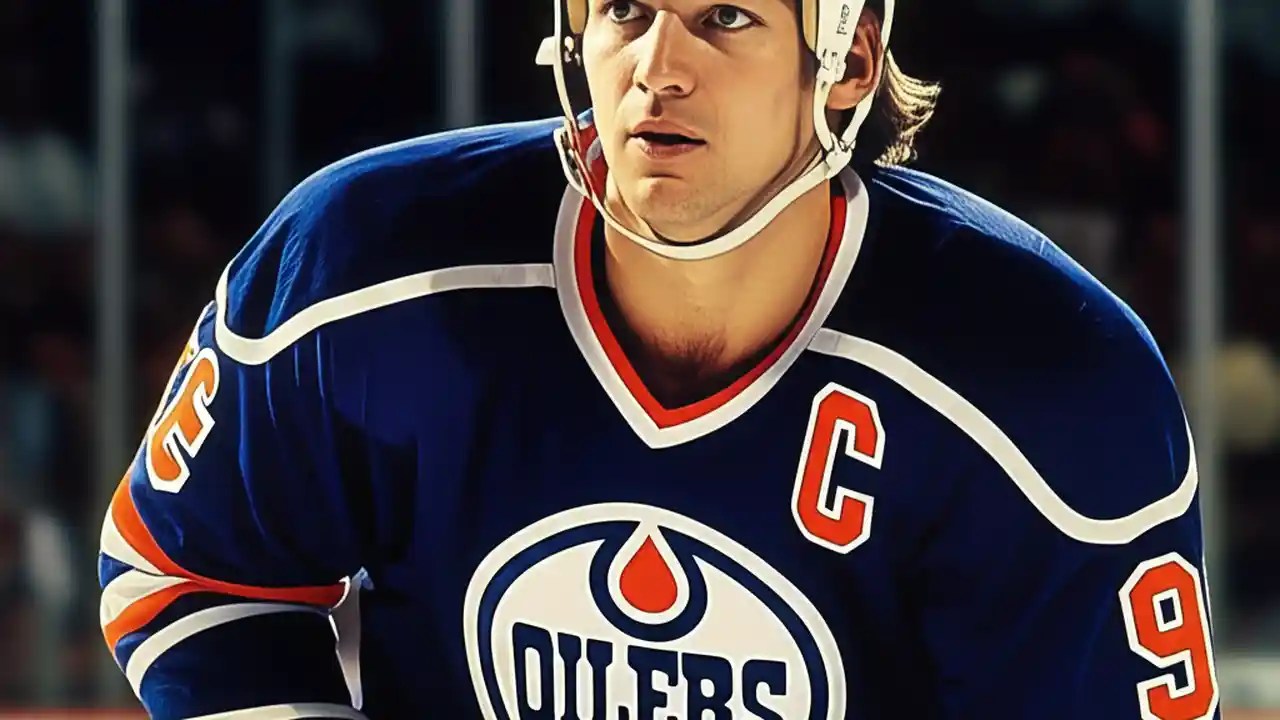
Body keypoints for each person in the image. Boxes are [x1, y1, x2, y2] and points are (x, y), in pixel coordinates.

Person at [98, 1, 1220, 718]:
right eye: (626, 10)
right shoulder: (361, 266)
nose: (657, 68)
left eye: (723, 17)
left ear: (846, 60)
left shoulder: (1047, 385)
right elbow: (188, 574)